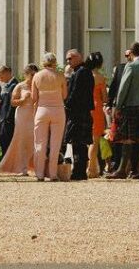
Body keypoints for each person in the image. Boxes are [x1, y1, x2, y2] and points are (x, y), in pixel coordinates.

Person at [110, 42, 139, 179]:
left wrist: (118, 106)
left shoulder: (130, 66)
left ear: (131, 52)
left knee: (127, 138)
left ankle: (122, 170)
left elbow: (123, 88)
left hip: (131, 106)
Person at [28, 52, 66, 182]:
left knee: (39, 143)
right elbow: (64, 95)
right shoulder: (60, 76)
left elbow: (34, 98)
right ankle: (53, 174)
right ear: (55, 62)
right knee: (55, 144)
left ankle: (39, 174)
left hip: (42, 109)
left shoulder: (37, 76)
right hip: (58, 109)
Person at [0, 63, 36, 176]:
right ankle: (22, 167)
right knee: (21, 140)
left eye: (35, 74)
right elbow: (13, 102)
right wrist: (23, 100)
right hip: (22, 115)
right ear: (26, 74)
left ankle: (33, 165)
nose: (33, 76)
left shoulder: (37, 85)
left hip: (34, 115)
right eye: (31, 74)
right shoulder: (20, 86)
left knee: (33, 140)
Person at [63, 49, 94, 180]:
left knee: (78, 142)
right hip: (81, 111)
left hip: (78, 111)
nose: (68, 61)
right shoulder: (82, 71)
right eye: (67, 59)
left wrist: (67, 105)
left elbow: (75, 93)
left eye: (70, 58)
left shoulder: (81, 72)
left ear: (78, 57)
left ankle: (79, 171)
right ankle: (79, 170)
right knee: (79, 143)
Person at [103, 48, 132, 177]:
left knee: (135, 138)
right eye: (125, 55)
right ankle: (118, 165)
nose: (127, 57)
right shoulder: (120, 68)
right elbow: (114, 87)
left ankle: (132, 167)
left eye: (129, 54)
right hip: (121, 107)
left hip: (133, 106)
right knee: (118, 137)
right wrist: (109, 104)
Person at [87, 54, 107, 177]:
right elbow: (105, 97)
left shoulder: (84, 75)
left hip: (86, 107)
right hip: (97, 107)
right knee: (95, 140)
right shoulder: (100, 77)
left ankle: (91, 167)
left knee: (87, 140)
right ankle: (91, 169)